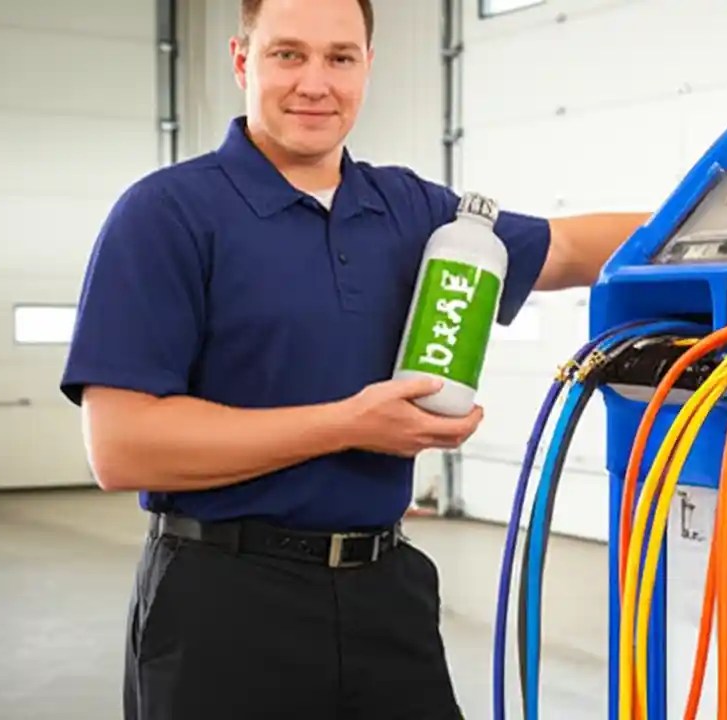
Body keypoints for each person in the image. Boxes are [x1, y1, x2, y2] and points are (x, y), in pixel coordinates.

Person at [59, 0, 648, 717]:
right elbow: (123, 448)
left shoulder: (406, 207)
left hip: (384, 596)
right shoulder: (167, 214)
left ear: (367, 66)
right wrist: (346, 425)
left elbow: (562, 248)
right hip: (223, 602)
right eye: (288, 54)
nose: (316, 82)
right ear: (243, 59)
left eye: (340, 57)